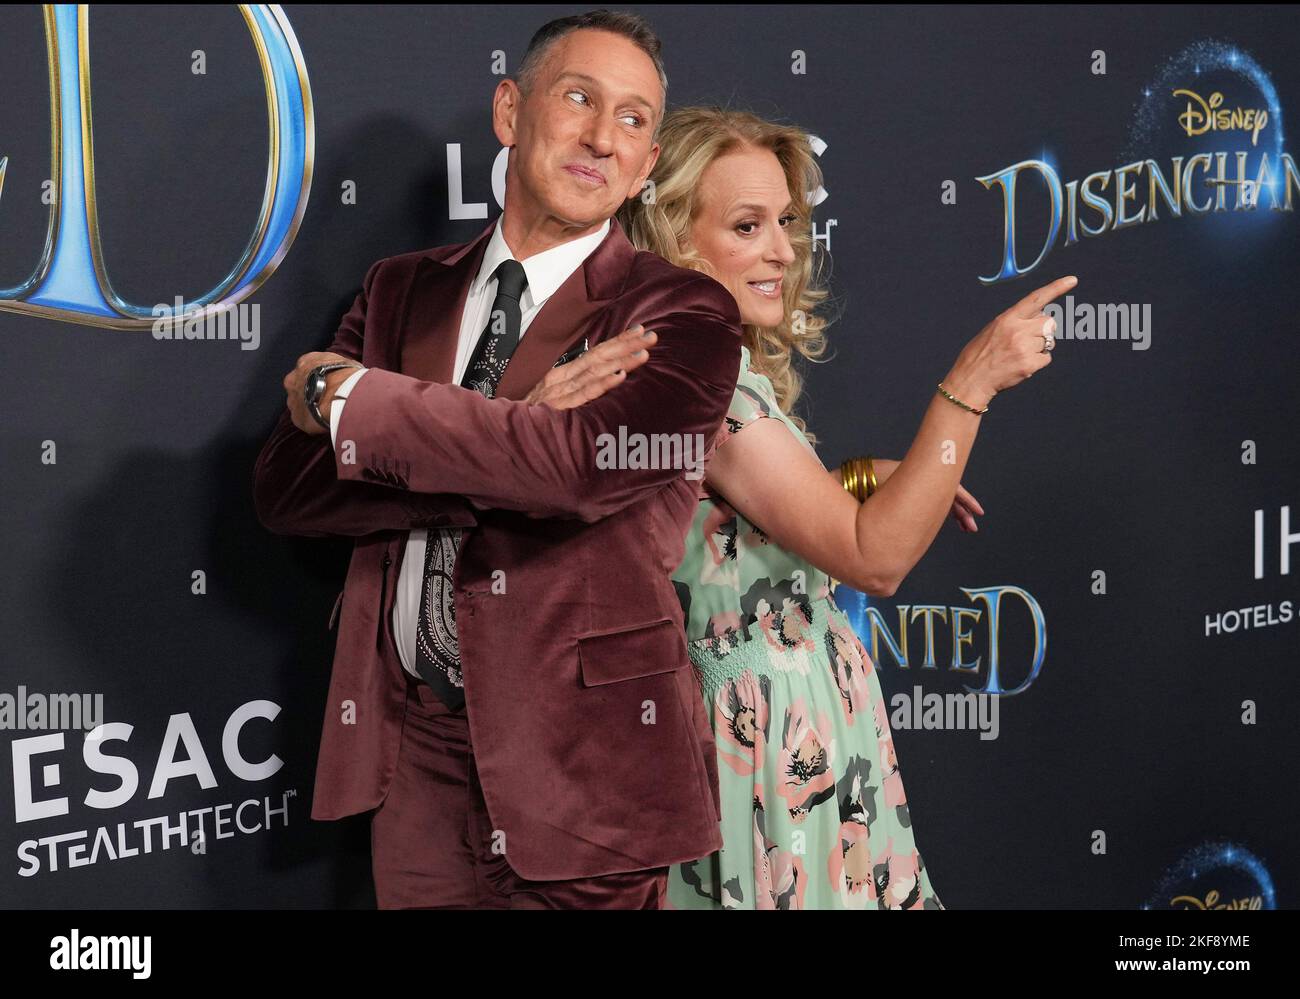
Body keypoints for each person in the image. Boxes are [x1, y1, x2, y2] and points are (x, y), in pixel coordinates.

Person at [252, 12, 743, 909]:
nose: (602, 136)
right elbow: (289, 490)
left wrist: (356, 404)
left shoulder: (684, 313)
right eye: (579, 98)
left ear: (647, 161)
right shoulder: (401, 288)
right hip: (416, 760)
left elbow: (575, 473)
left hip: (587, 775)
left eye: (633, 120)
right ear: (511, 112)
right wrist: (506, 428)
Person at [544, 105, 1077, 908]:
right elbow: (875, 558)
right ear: (674, 241)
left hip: (805, 734)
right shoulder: (700, 381)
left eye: (786, 222)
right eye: (748, 226)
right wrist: (971, 382)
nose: (784, 251)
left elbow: (726, 523)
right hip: (768, 752)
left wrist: (855, 477)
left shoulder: (692, 365)